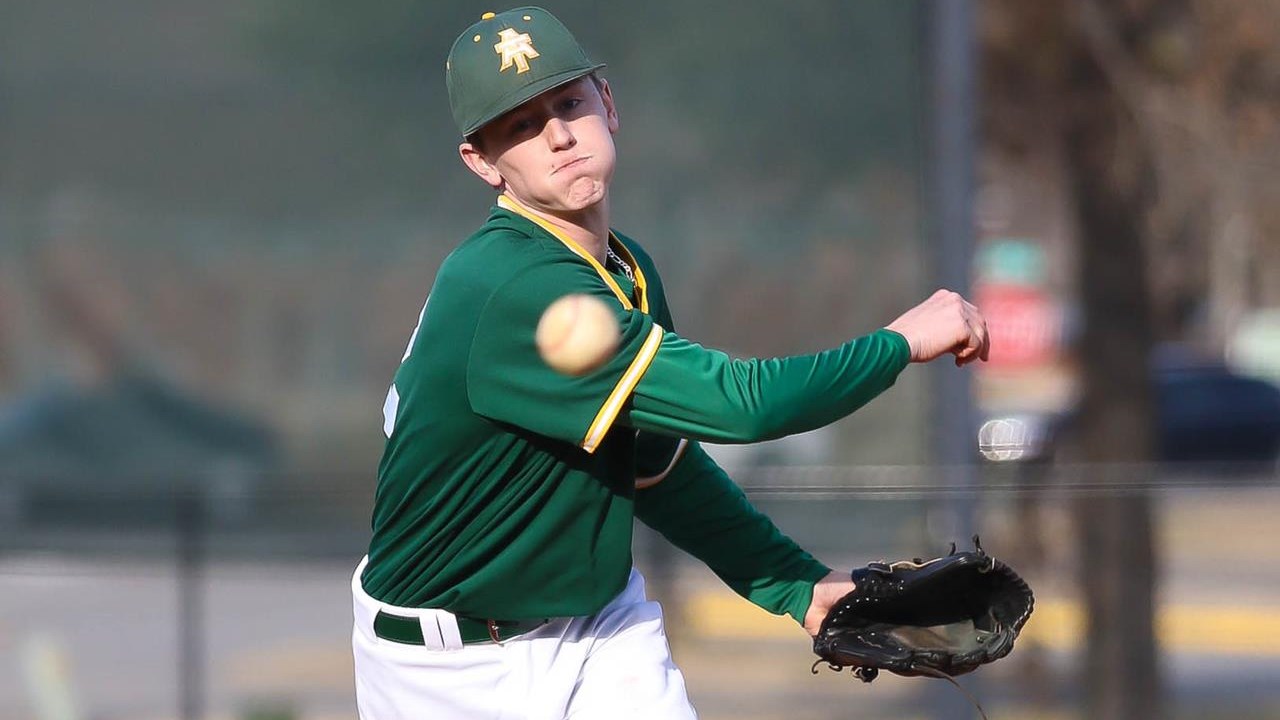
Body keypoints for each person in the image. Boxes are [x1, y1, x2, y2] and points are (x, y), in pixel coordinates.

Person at [350, 7, 989, 719]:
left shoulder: (624, 270)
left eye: (568, 103)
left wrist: (794, 586)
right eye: (521, 127)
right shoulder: (513, 287)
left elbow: (658, 467)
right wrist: (899, 342)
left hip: (597, 625)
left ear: (608, 104)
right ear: (483, 162)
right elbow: (744, 406)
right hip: (451, 665)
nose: (558, 135)